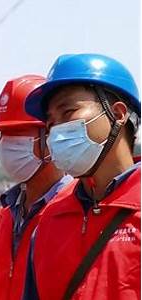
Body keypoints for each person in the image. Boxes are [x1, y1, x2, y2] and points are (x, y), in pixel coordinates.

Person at [23, 53, 140, 299]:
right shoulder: (49, 221)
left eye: (68, 113)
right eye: (50, 123)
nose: (56, 131)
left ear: (118, 114)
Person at [0, 75, 73, 300]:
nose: (8, 145)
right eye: (4, 135)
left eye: (19, 134)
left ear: (51, 137)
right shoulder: (5, 216)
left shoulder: (75, 211)